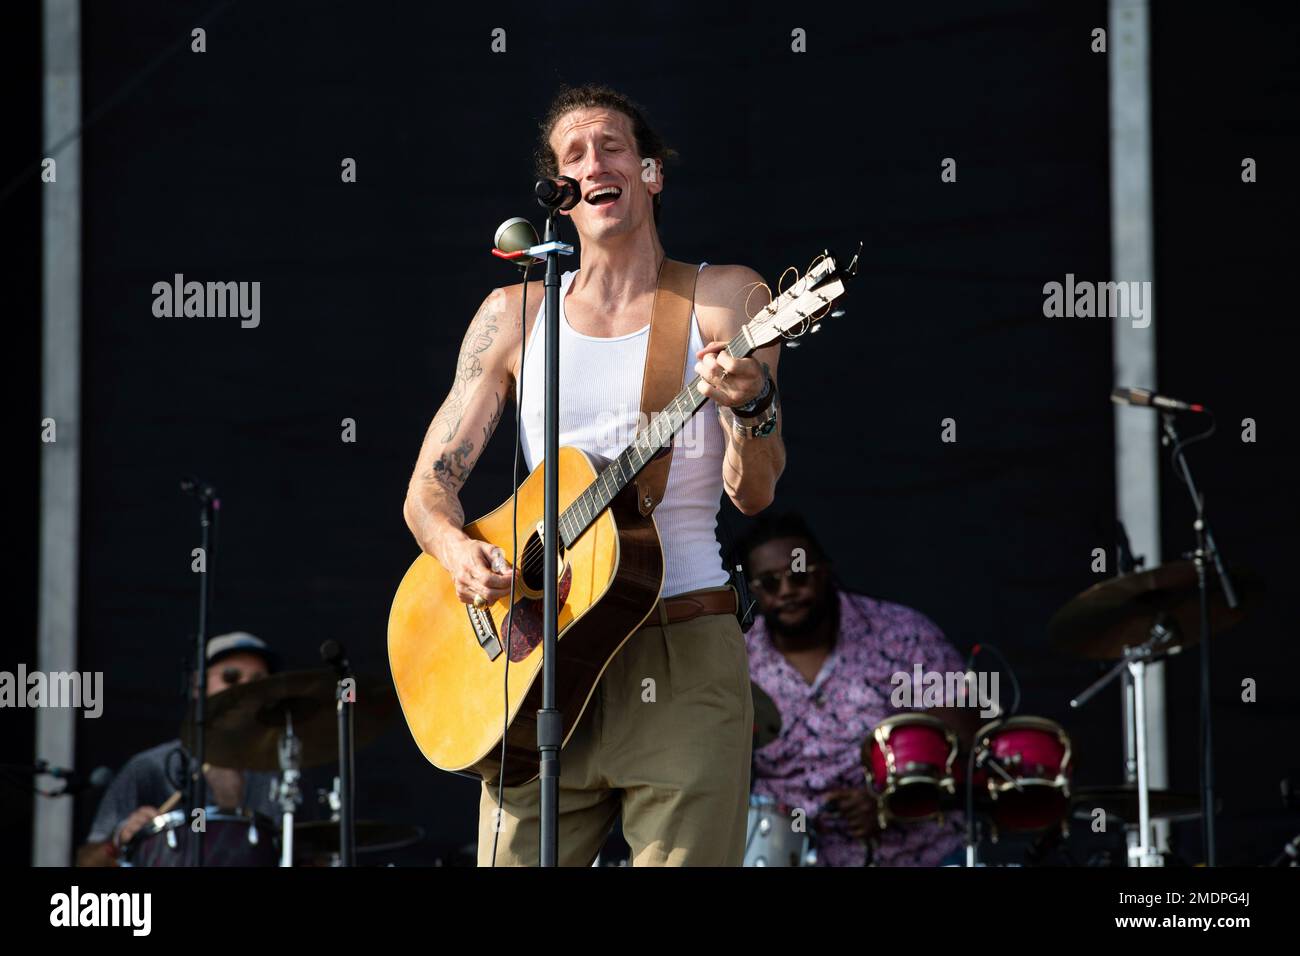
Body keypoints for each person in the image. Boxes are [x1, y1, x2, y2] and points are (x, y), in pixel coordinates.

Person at [402, 84, 785, 866]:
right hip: (538, 656)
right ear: (559, 195)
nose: (594, 161)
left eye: (612, 146)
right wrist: (456, 554)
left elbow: (756, 492)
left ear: (650, 173)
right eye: (573, 154)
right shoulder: (514, 315)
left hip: (679, 640)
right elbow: (427, 490)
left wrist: (752, 407)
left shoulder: (725, 298)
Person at [738, 512, 982, 866]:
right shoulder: (738, 655)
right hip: (783, 851)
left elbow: (968, 743)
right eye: (770, 583)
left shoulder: (902, 634)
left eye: (799, 575)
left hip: (916, 852)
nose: (788, 591)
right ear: (754, 591)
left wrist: (890, 803)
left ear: (825, 571)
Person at [76, 632, 283, 865]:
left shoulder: (285, 773)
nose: (245, 689)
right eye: (230, 677)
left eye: (257, 681)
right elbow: (87, 862)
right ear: (197, 685)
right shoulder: (149, 768)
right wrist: (119, 840)